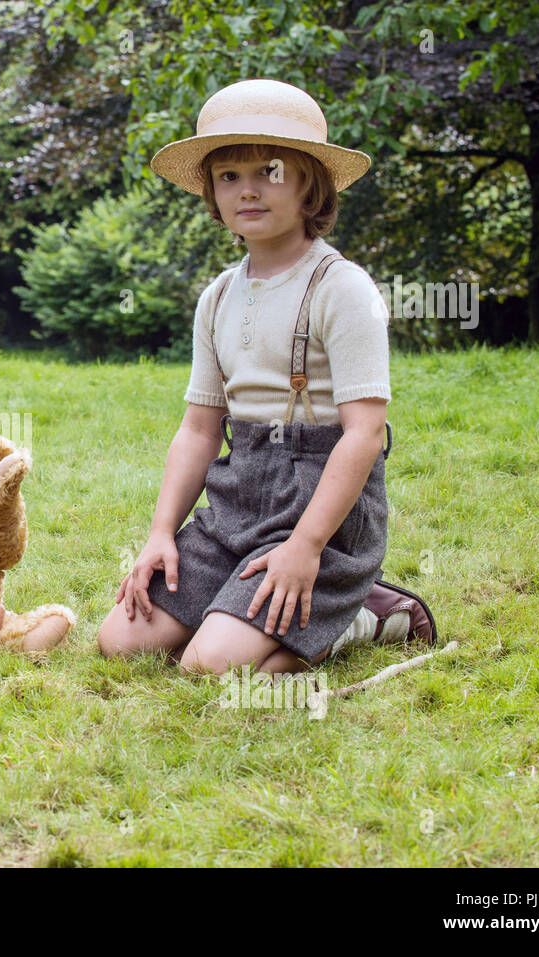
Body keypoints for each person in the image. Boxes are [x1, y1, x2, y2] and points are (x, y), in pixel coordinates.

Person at [98, 78, 435, 676]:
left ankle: (366, 613)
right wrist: (161, 534)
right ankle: (239, 604)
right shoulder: (220, 296)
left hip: (320, 512)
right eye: (229, 176)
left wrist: (304, 549)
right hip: (235, 504)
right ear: (212, 192)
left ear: (310, 184)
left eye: (271, 171)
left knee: (207, 664)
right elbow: (200, 429)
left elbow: (363, 434)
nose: (248, 190)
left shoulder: (342, 288)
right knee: (122, 640)